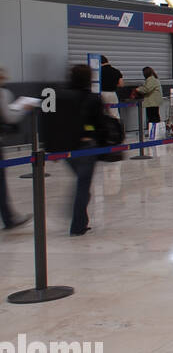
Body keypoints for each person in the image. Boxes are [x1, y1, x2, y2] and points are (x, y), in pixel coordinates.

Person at [47, 64, 104, 236]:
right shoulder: (93, 98)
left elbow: (54, 124)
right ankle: (77, 224)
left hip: (67, 147)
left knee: (81, 184)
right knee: (82, 185)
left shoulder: (60, 96)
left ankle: (80, 217)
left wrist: (53, 148)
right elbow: (99, 124)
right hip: (86, 147)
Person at [0, 66, 33, 230]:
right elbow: (10, 116)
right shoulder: (2, 93)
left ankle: (8, 217)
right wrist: (24, 109)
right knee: (0, 183)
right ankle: (9, 218)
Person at [134, 66, 163, 135]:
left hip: (152, 102)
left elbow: (146, 89)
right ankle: (155, 131)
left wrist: (137, 89)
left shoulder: (151, 79)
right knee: (155, 116)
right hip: (154, 102)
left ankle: (153, 132)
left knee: (152, 117)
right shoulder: (153, 79)